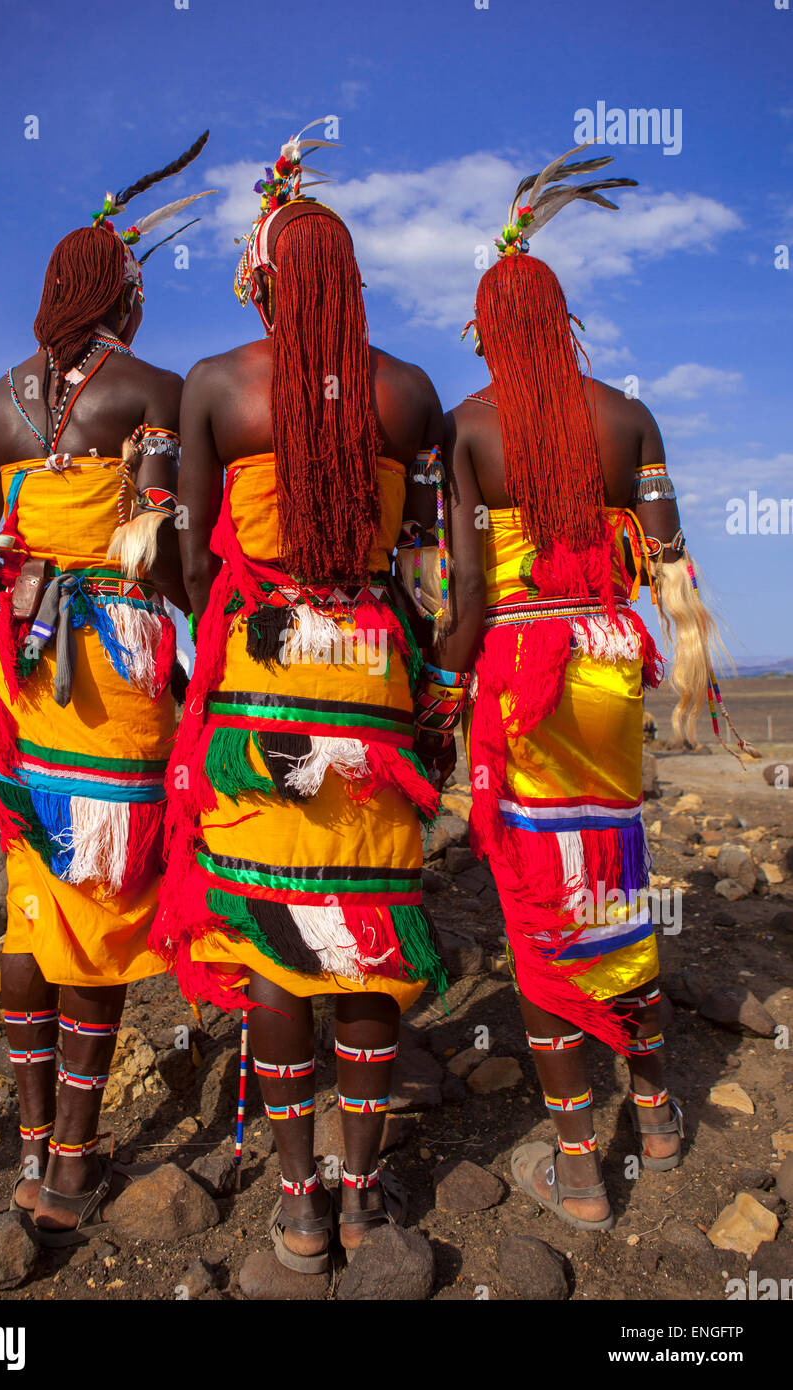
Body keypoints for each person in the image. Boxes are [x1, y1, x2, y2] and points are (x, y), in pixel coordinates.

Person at [434, 145, 754, 1232]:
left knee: (536, 912)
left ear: (489, 323)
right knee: (613, 879)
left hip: (521, 688)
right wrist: (693, 685)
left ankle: (579, 1161)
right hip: (611, 676)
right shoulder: (629, 420)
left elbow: (466, 597)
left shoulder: (470, 430)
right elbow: (670, 565)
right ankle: (657, 1111)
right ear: (559, 317)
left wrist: (442, 696)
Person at [150, 123, 447, 1273]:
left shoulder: (220, 385)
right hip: (375, 682)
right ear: (351, 282)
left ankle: (297, 1197)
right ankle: (366, 1190)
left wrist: (236, 624)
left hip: (260, 690)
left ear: (265, 276)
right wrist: (430, 690)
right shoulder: (412, 392)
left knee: (277, 938)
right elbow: (429, 570)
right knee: (368, 930)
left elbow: (185, 565)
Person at [0, 133, 213, 1245]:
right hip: (119, 670)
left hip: (24, 666)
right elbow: (173, 556)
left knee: (35, 892)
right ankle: (72, 1156)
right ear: (122, 297)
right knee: (103, 903)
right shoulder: (157, 391)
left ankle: (25, 1138)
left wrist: (28, 571)